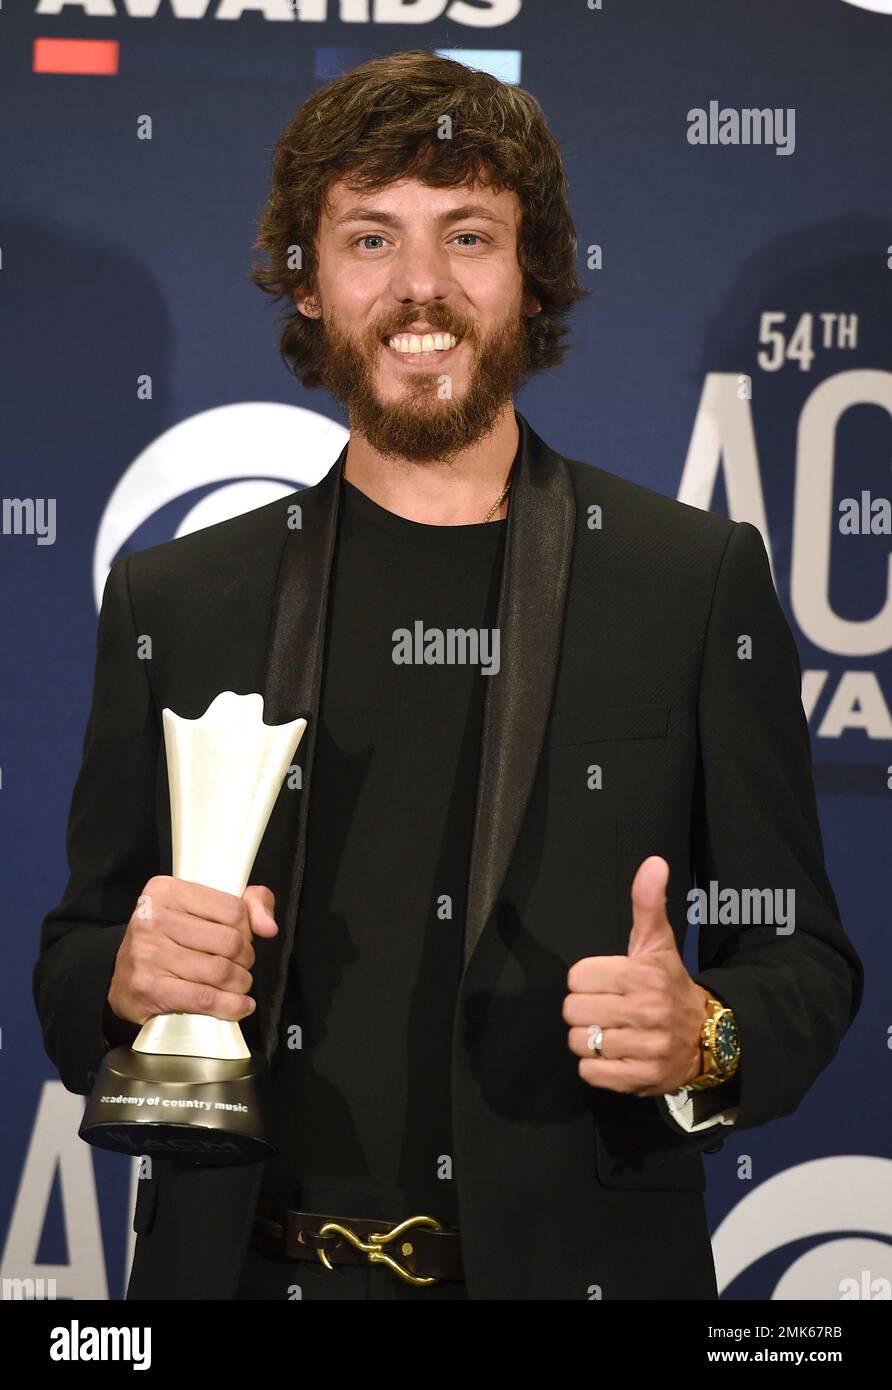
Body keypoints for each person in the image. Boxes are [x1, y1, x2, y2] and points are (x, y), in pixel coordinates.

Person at [33, 50, 862, 1301]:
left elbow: (797, 958)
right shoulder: (179, 600)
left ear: (529, 277)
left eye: (466, 235)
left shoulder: (688, 580)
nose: (419, 288)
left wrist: (708, 1036)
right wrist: (123, 977)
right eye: (369, 239)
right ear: (309, 283)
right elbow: (74, 956)